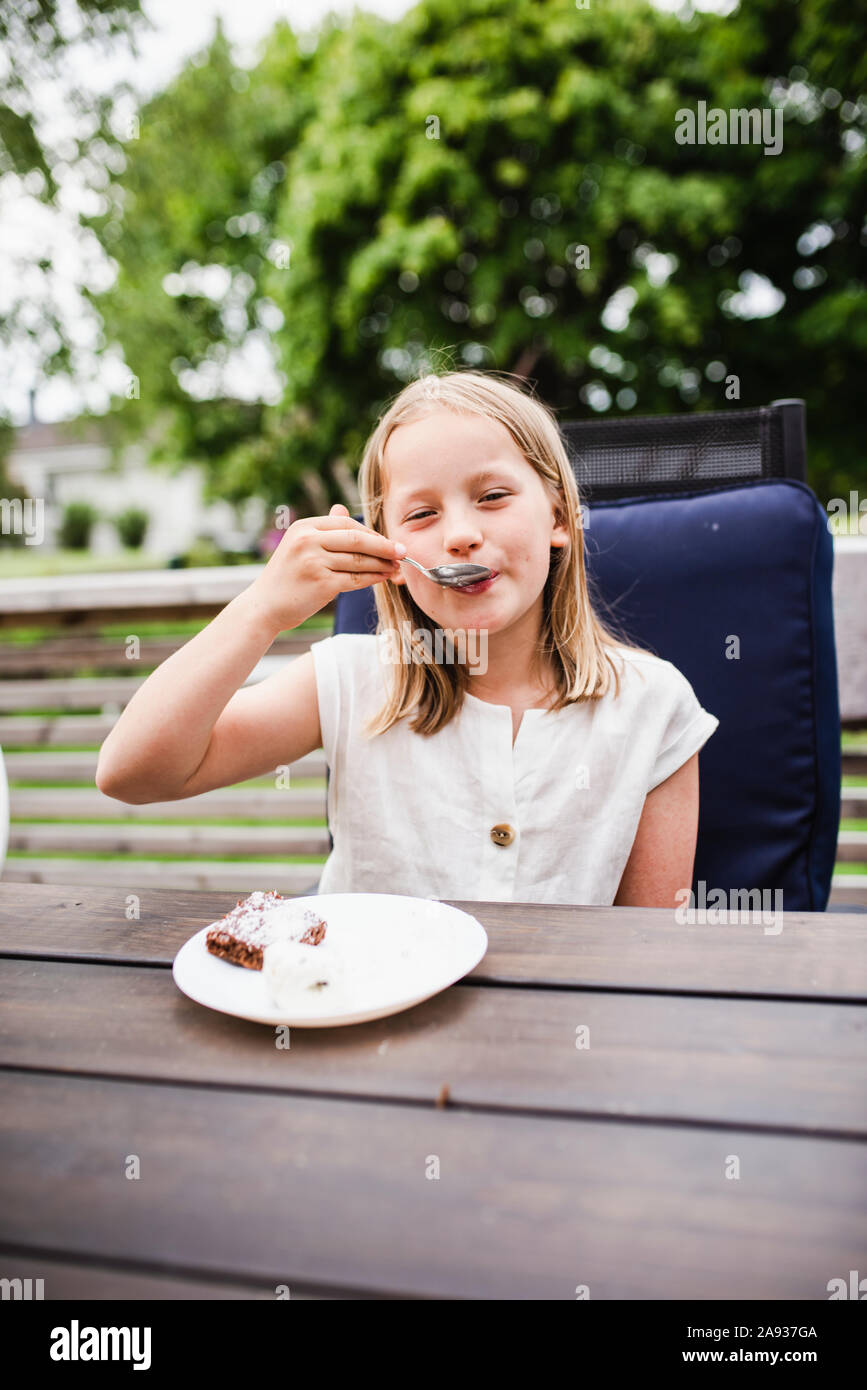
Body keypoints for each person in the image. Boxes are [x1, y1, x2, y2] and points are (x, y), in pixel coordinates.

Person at [96, 369, 719, 906]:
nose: (460, 535)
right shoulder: (350, 679)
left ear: (558, 516)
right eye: (421, 514)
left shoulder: (652, 706)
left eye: (493, 496)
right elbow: (133, 773)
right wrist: (261, 609)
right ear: (386, 547)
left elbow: (650, 952)